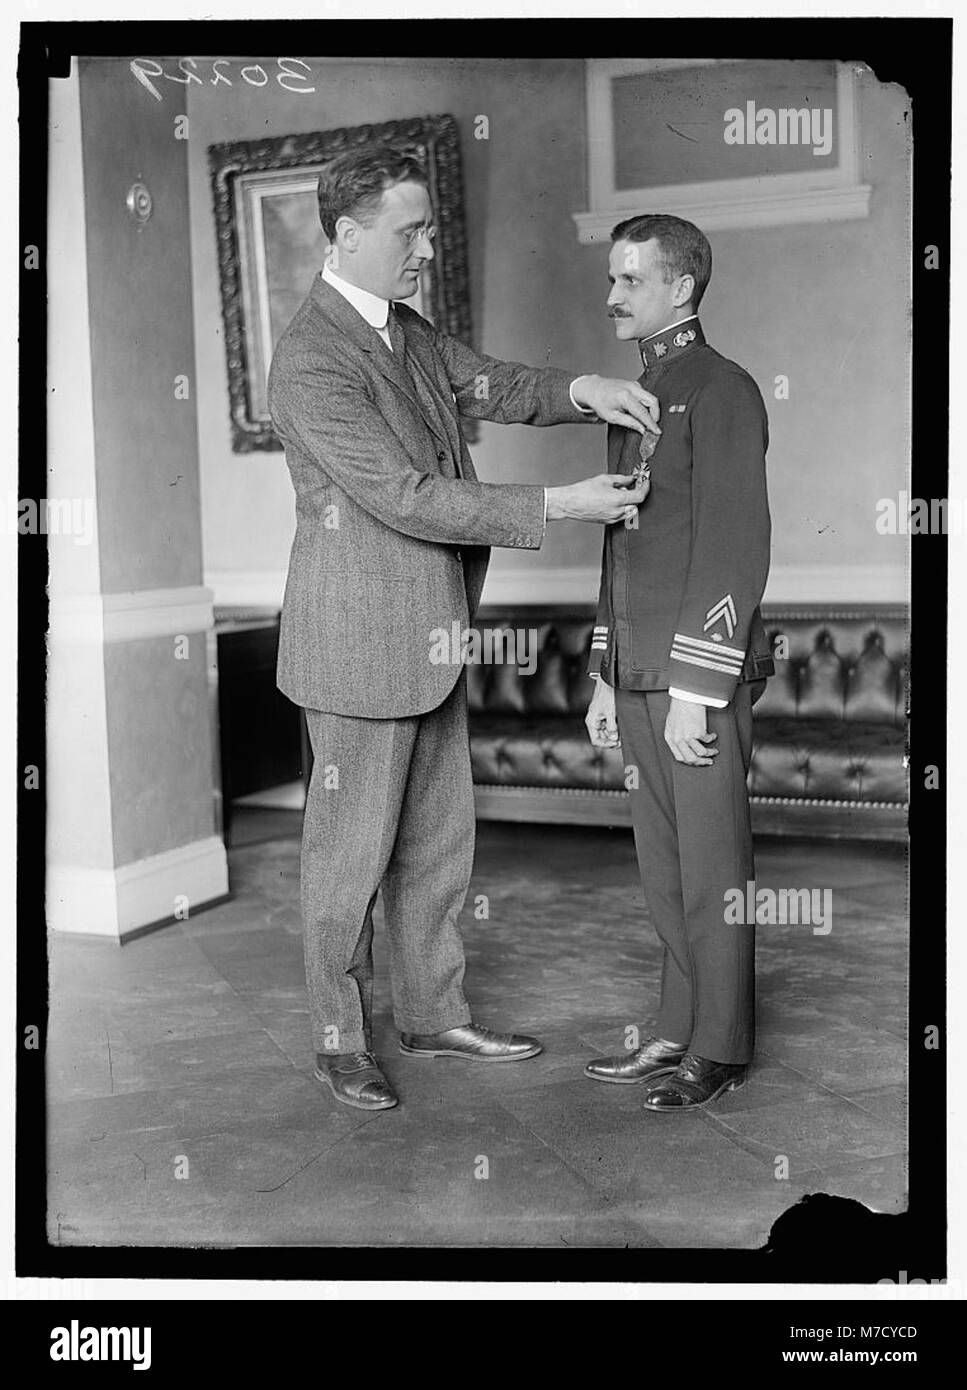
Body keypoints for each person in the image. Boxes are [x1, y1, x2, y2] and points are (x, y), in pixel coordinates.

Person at [267, 143, 659, 1112]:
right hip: (356, 650)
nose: (428, 250)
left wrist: (583, 392)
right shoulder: (313, 361)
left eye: (430, 229)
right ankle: (338, 1038)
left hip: (433, 637)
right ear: (350, 235)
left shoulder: (401, 331)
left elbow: (491, 384)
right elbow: (404, 497)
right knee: (346, 864)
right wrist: (558, 506)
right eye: (412, 231)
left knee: (439, 850)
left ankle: (432, 1014)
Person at [583, 213, 774, 1112]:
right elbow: (619, 550)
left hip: (692, 679)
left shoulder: (722, 388)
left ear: (679, 287)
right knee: (662, 865)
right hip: (634, 674)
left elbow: (735, 545)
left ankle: (722, 1044)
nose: (612, 296)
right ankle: (676, 1022)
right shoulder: (636, 397)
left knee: (710, 863)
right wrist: (599, 671)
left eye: (629, 280)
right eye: (613, 279)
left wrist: (696, 689)